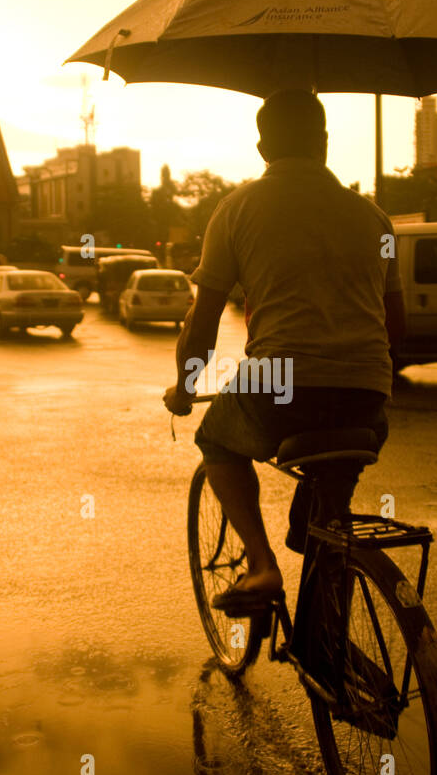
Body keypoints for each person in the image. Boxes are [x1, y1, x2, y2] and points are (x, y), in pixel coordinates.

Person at [163, 88, 405, 614]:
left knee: (216, 439)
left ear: (261, 145)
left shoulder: (236, 211)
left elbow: (202, 326)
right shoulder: (374, 218)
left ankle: (262, 565)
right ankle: (332, 631)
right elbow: (397, 326)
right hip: (367, 395)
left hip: (279, 384)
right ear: (324, 142)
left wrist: (184, 390)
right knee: (330, 516)